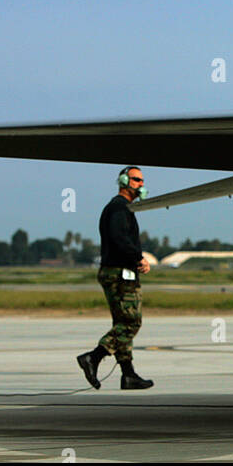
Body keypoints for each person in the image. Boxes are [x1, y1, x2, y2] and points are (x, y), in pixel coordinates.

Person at [76, 166, 154, 390]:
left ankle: (128, 375)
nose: (140, 184)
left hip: (113, 272)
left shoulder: (119, 207)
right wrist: (139, 258)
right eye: (136, 180)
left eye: (141, 180)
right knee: (131, 322)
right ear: (124, 181)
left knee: (121, 324)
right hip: (121, 274)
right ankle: (94, 357)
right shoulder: (119, 208)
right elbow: (119, 238)